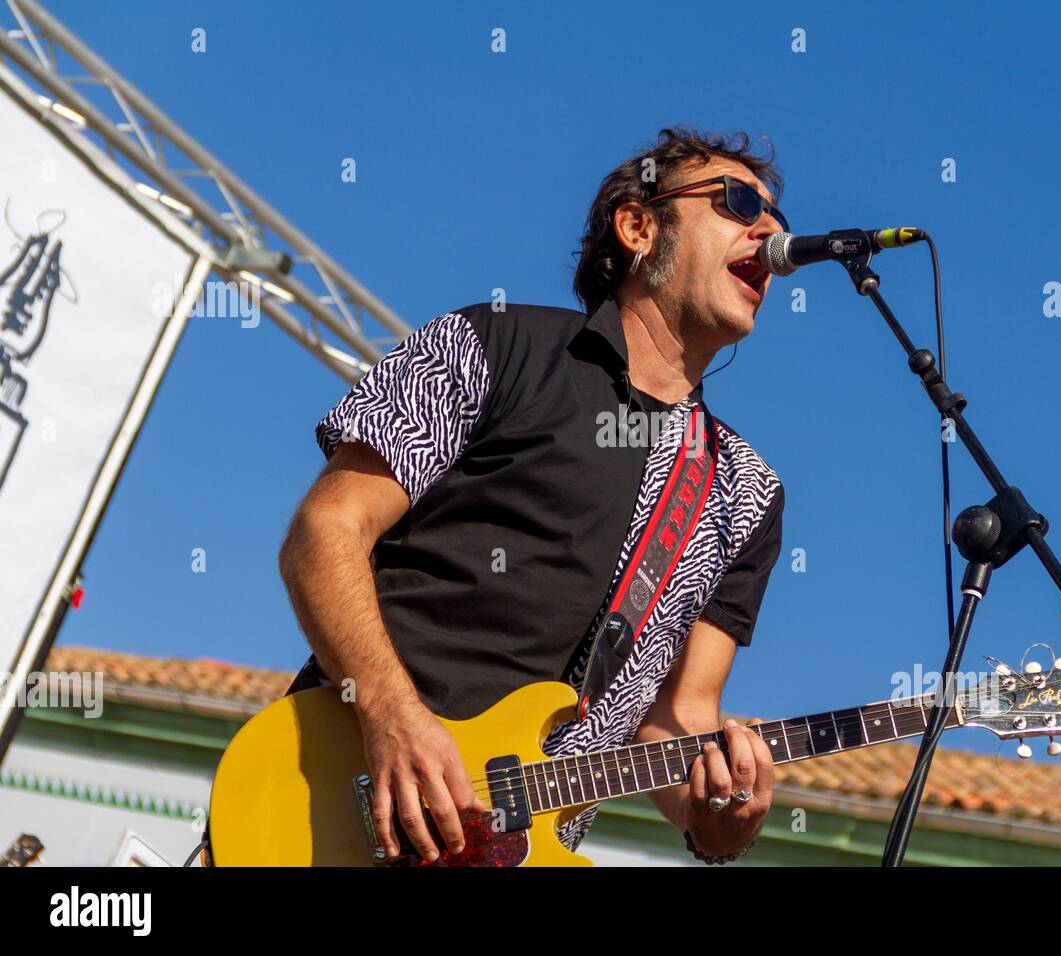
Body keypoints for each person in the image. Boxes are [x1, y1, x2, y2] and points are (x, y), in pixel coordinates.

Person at [280, 126, 787, 864]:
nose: (770, 229)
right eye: (737, 203)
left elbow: (674, 719)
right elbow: (325, 531)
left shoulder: (745, 492)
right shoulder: (491, 345)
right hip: (337, 801)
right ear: (639, 227)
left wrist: (717, 820)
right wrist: (391, 716)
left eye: (775, 215)